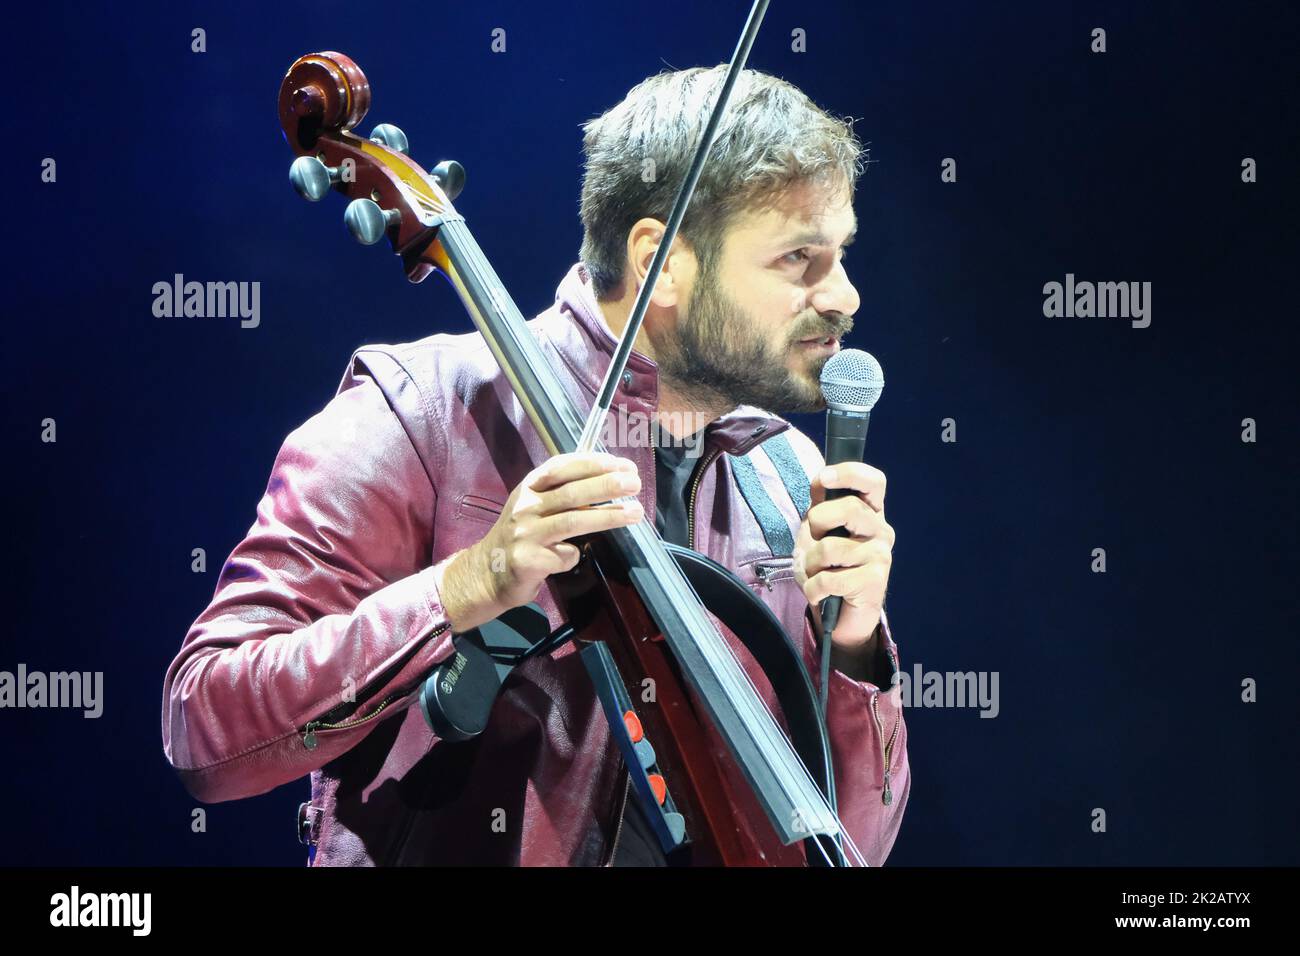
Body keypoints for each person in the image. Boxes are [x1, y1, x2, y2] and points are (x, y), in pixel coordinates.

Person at [161, 64, 909, 866]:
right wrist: (464, 587)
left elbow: (847, 846)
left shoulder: (784, 474)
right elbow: (206, 729)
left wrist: (857, 651)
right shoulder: (420, 410)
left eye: (842, 254)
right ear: (663, 261)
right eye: (800, 259)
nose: (846, 296)